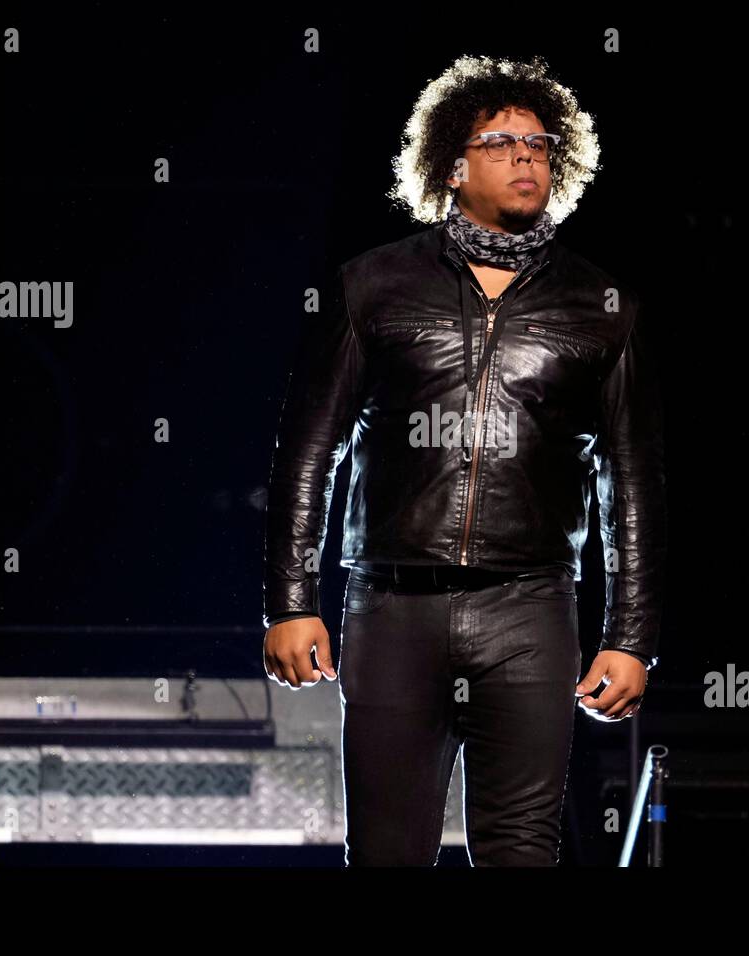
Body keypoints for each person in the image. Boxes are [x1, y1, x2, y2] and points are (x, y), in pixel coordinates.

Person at [261, 54, 667, 865]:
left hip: (530, 609)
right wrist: (289, 600)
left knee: (522, 850)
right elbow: (310, 448)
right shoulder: (373, 285)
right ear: (452, 164)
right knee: (386, 852)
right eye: (502, 142)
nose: (526, 156)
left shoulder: (602, 305)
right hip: (392, 607)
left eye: (541, 143)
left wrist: (632, 634)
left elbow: (633, 479)